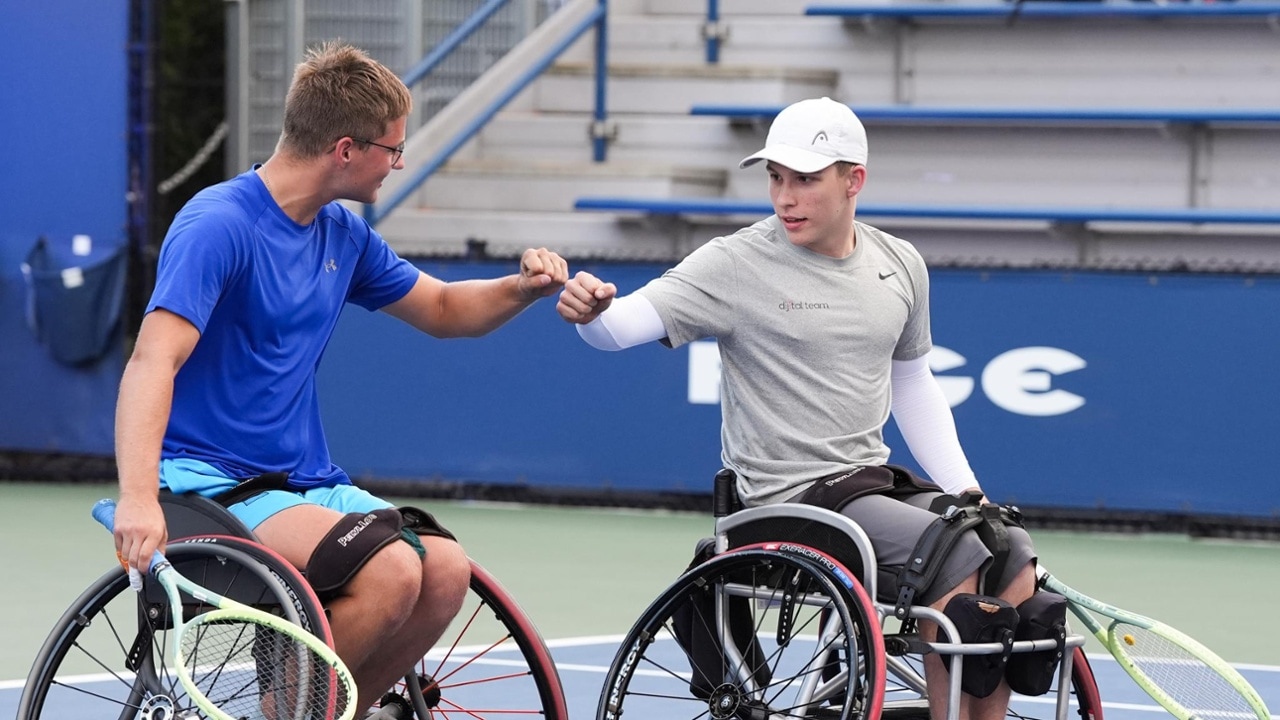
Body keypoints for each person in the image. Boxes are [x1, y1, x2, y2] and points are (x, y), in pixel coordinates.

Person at [112, 41, 568, 713]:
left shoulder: (344, 236)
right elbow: (152, 361)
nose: (399, 162)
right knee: (391, 572)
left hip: (302, 483)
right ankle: (289, 712)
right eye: (394, 149)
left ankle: (318, 709)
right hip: (208, 486)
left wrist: (522, 289)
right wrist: (136, 497)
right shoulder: (218, 226)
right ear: (346, 149)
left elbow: (444, 308)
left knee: (444, 570)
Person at [557, 97, 1039, 720]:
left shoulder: (900, 264)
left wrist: (968, 493)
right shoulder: (735, 262)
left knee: (1007, 546)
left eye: (805, 179)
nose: (785, 198)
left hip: (868, 486)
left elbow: (913, 385)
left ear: (853, 180)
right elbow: (619, 327)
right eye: (775, 178)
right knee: (954, 552)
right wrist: (592, 312)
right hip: (782, 503)